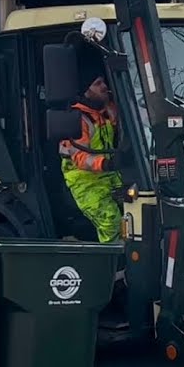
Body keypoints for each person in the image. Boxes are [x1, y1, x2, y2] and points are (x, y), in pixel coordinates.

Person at [58, 74, 124, 243]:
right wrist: (105, 163)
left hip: (110, 176)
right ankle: (114, 264)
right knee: (111, 221)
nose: (104, 87)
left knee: (136, 210)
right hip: (86, 182)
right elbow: (79, 157)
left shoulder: (105, 111)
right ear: (85, 90)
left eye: (104, 82)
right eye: (97, 83)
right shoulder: (76, 120)